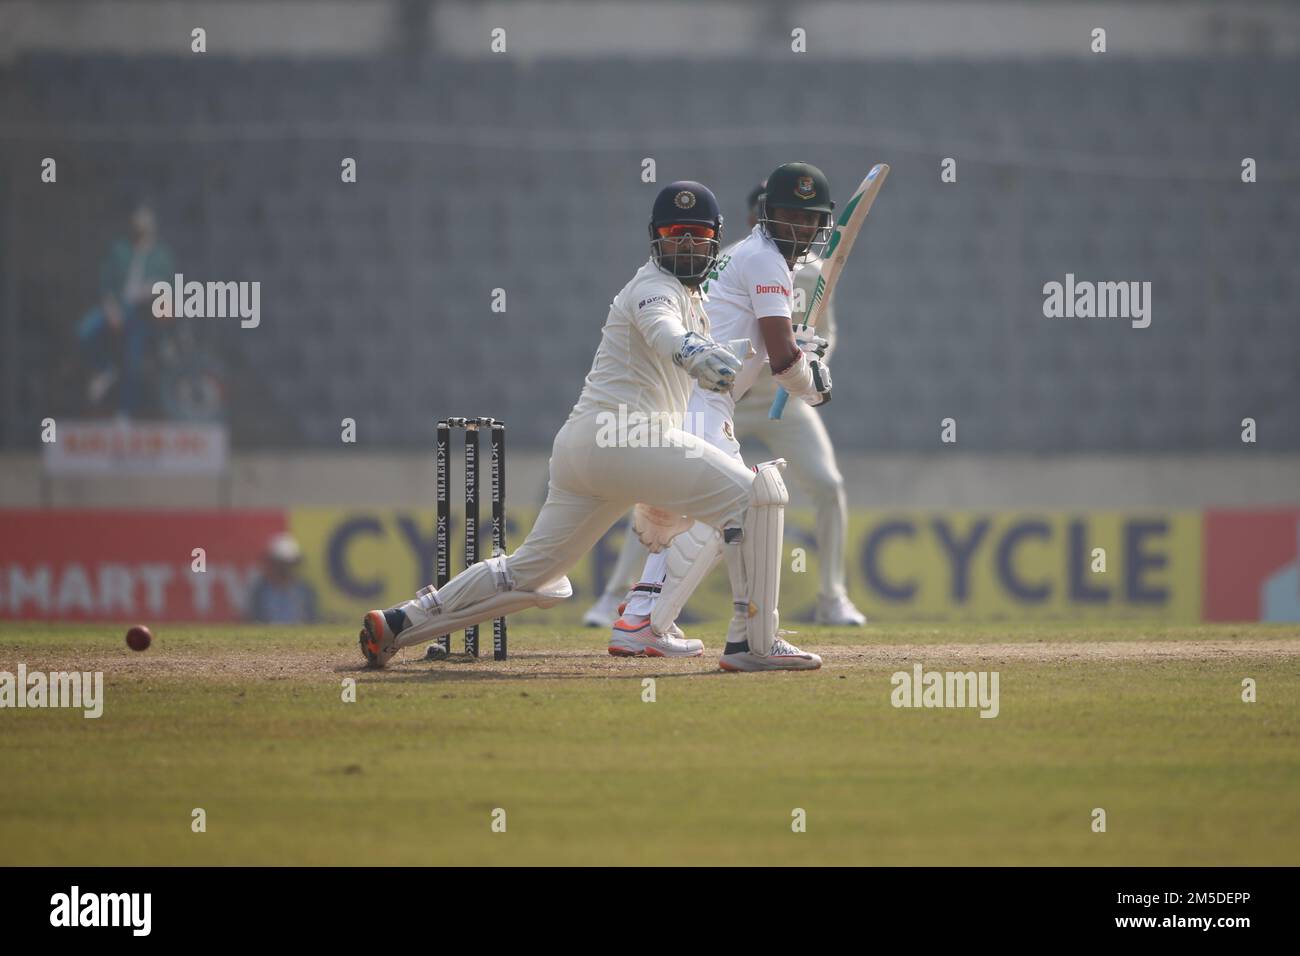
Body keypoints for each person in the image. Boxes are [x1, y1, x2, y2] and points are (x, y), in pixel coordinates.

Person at [360, 180, 827, 672]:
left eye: (696, 234)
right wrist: (694, 353)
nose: (686, 244)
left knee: (535, 574)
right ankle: (752, 644)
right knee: (757, 498)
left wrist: (789, 353)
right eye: (674, 233)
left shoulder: (693, 300)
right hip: (626, 437)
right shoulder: (653, 288)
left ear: (715, 239)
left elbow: (716, 355)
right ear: (654, 238)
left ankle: (399, 622)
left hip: (588, 450)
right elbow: (665, 332)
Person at [582, 177, 868, 628]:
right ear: (759, 217)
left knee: (743, 504)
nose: (797, 228)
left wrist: (812, 352)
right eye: (787, 216)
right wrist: (812, 383)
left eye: (807, 220)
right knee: (742, 504)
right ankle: (734, 632)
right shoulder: (760, 260)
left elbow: (809, 341)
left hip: (734, 397)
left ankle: (653, 616)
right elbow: (784, 359)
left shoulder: (781, 265)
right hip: (712, 394)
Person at [76, 203, 176, 417]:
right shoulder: (119, 249)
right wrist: (112, 310)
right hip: (116, 306)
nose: (141, 225)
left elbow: (169, 287)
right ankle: (104, 368)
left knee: (133, 361)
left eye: (145, 220)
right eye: (138, 220)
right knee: (84, 331)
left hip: (142, 314)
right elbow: (106, 284)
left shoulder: (162, 255)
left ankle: (125, 412)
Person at [247, 533, 320, 624]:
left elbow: (312, 619)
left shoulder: (305, 590)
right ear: (273, 563)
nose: (286, 569)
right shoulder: (261, 591)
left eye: (289, 564)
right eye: (282, 564)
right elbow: (255, 620)